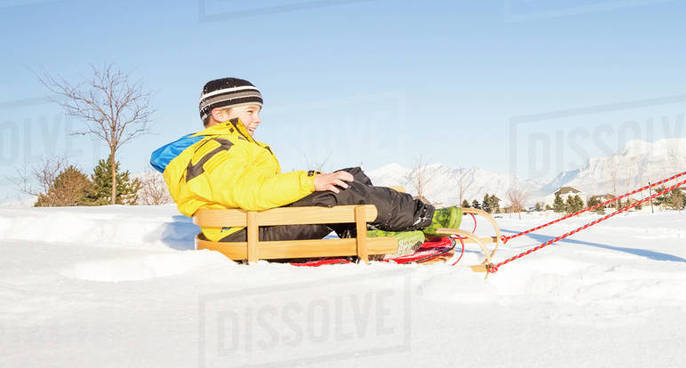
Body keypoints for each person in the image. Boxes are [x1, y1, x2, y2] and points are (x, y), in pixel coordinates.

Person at [150, 78, 461, 257]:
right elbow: (251, 192)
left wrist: (313, 182)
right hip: (247, 236)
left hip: (257, 223)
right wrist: (310, 183)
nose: (257, 119)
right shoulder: (215, 149)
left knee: (350, 176)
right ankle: (425, 218)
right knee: (341, 190)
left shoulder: (229, 145)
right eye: (250, 111)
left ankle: (372, 234)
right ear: (220, 113)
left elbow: (254, 188)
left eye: (258, 111)